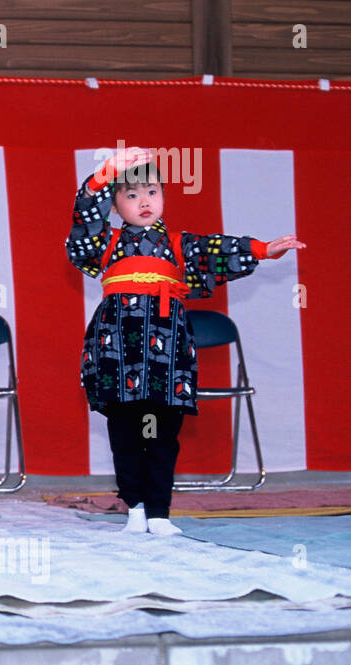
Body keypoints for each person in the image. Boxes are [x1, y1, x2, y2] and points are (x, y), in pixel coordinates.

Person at [65, 146, 303, 536]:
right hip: (116, 350)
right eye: (131, 195)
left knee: (160, 433)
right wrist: (100, 178)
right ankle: (136, 508)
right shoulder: (103, 244)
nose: (144, 201)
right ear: (114, 205)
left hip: (166, 355)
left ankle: (159, 512)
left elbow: (218, 251)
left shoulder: (179, 245)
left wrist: (263, 249)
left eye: (152, 192)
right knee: (126, 434)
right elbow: (83, 222)